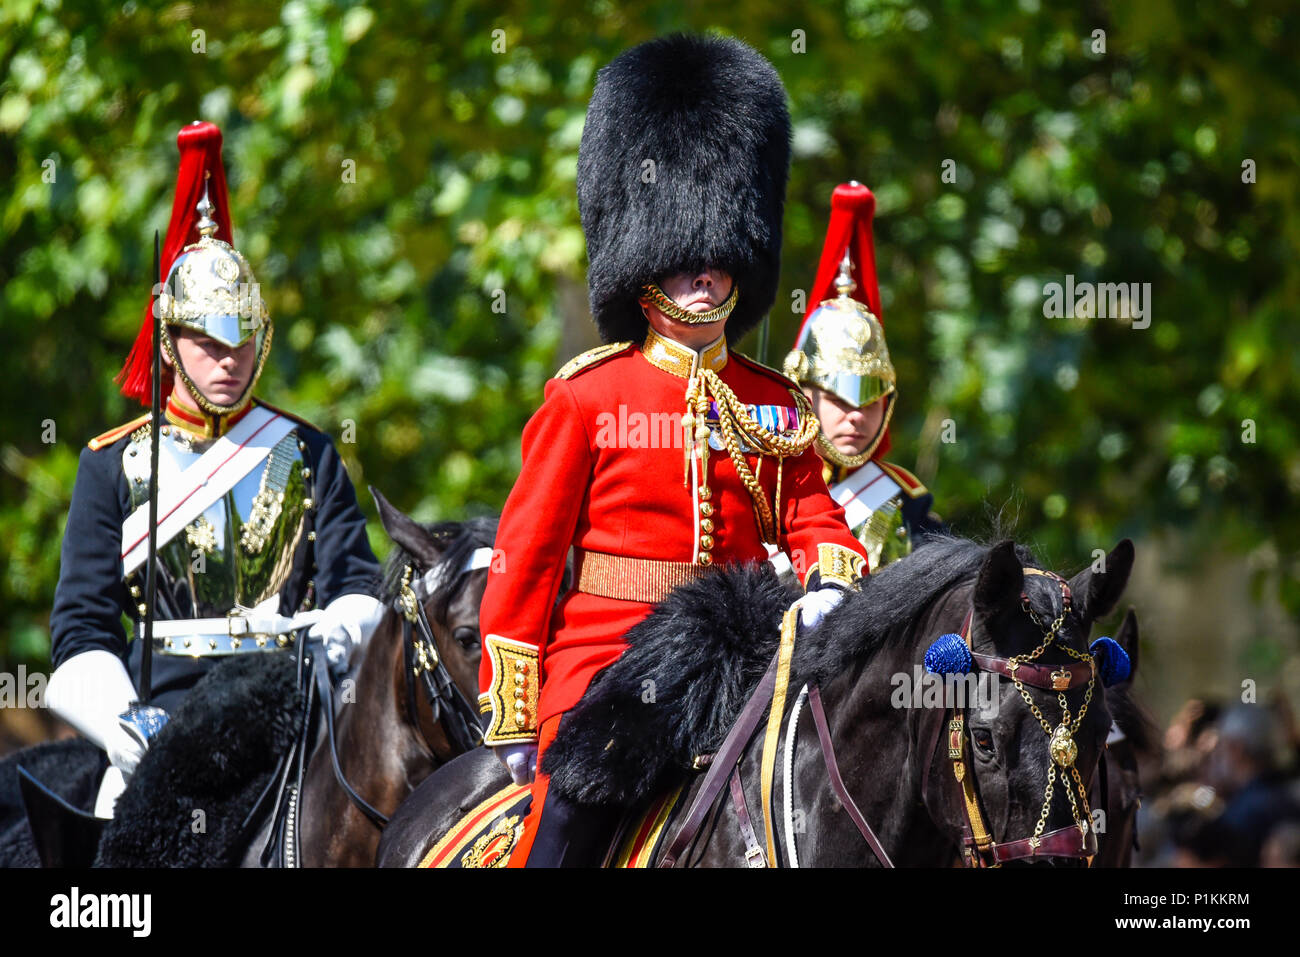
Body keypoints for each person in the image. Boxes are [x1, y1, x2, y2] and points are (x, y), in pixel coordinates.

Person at [475, 33, 870, 867]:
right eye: (684, 258)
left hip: (744, 658)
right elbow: (527, 562)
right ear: (645, 262)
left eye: (718, 256)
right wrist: (513, 712)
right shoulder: (587, 397)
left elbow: (814, 521)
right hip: (608, 661)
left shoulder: (773, 402)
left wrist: (833, 583)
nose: (704, 273)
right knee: (569, 827)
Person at [45, 121, 384, 819]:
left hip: (295, 722)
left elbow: (358, 585)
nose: (227, 357)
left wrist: (330, 644)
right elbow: (81, 629)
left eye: (241, 336)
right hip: (161, 721)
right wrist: (123, 723)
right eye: (205, 339)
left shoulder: (309, 452)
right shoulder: (112, 465)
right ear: (169, 342)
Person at [779, 181, 944, 575]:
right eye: (839, 399)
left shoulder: (906, 502)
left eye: (869, 400)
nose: (856, 415)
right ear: (805, 394)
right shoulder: (766, 481)